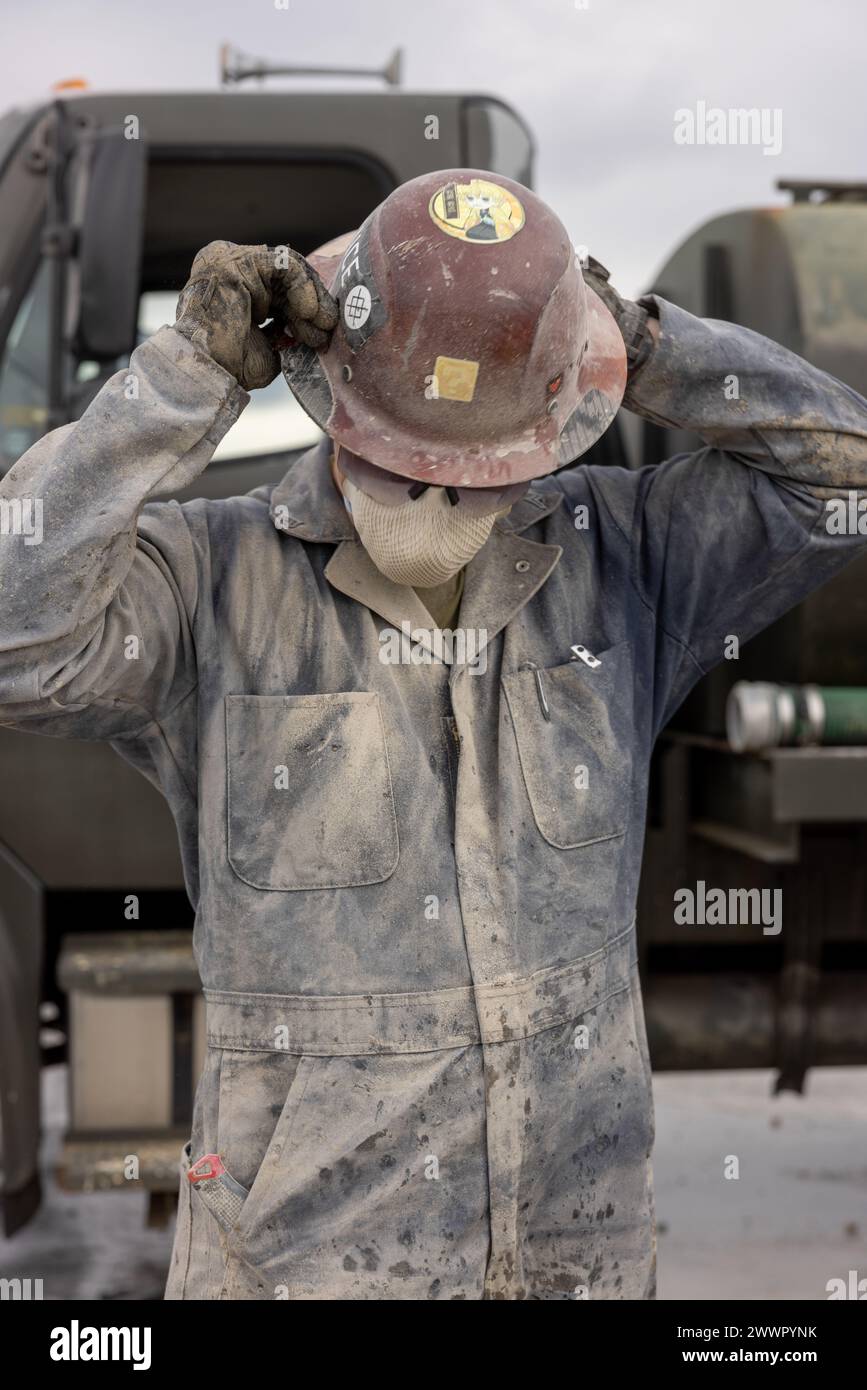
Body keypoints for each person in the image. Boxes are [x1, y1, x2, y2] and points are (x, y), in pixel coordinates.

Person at [1, 168, 864, 1301]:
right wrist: (182, 379)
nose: (435, 495)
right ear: (332, 389)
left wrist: (640, 345)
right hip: (309, 1271)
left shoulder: (624, 562)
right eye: (405, 460)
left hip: (576, 1260)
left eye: (473, 472)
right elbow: (17, 634)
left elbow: (842, 476)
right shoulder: (212, 580)